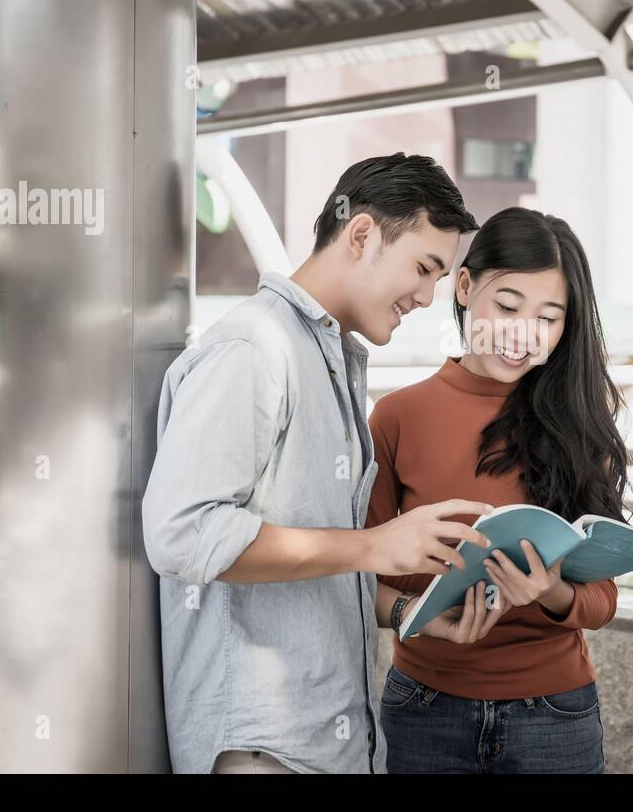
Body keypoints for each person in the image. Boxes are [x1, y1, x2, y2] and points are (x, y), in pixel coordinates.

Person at [142, 153, 508, 775]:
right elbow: (183, 534)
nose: (426, 297)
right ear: (361, 234)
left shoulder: (331, 358)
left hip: (323, 744)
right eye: (423, 269)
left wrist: (408, 614)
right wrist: (374, 546)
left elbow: (317, 568)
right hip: (265, 750)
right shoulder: (254, 348)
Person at [367, 206, 631, 773]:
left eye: (548, 318)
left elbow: (602, 601)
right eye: (508, 306)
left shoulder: (578, 423)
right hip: (424, 708)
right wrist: (420, 610)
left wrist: (552, 593)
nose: (522, 335)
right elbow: (362, 585)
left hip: (554, 716)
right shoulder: (396, 418)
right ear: (464, 288)